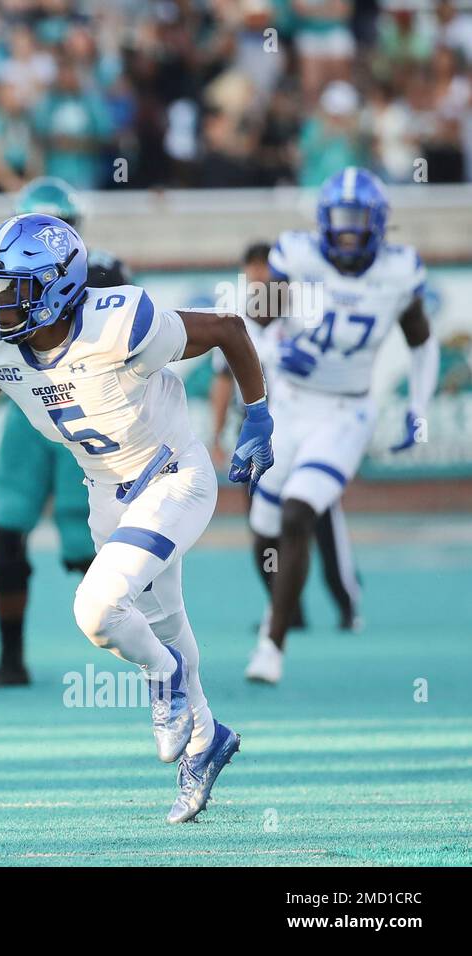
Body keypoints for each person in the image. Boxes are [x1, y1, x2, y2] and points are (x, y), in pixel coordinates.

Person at [0, 213, 273, 822]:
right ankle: (207, 738)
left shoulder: (120, 323)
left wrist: (257, 415)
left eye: (11, 290)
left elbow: (226, 327)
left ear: (60, 287)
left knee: (98, 610)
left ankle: (164, 684)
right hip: (106, 491)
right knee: (163, 623)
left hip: (174, 477)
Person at [245, 168, 435, 684]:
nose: (349, 233)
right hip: (289, 405)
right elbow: (252, 325)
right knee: (262, 531)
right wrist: (279, 354)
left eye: (359, 222)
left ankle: (272, 644)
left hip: (346, 412)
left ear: (378, 224)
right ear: (325, 222)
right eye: (341, 221)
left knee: (299, 514)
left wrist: (419, 406)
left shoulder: (400, 271)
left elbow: (421, 342)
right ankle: (283, 608)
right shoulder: (295, 257)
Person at [0, 176, 131, 688]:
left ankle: (139, 656)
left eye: (61, 228)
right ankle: (11, 658)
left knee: (87, 546)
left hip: (82, 416)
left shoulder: (104, 272)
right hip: (28, 419)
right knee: (4, 536)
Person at [208, 241, 361, 643]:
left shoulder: (303, 315)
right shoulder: (236, 321)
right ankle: (286, 610)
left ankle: (346, 603)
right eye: (253, 270)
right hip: (261, 441)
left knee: (321, 521)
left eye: (266, 270)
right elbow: (223, 381)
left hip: (307, 432)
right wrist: (217, 434)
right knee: (264, 530)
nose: (260, 279)